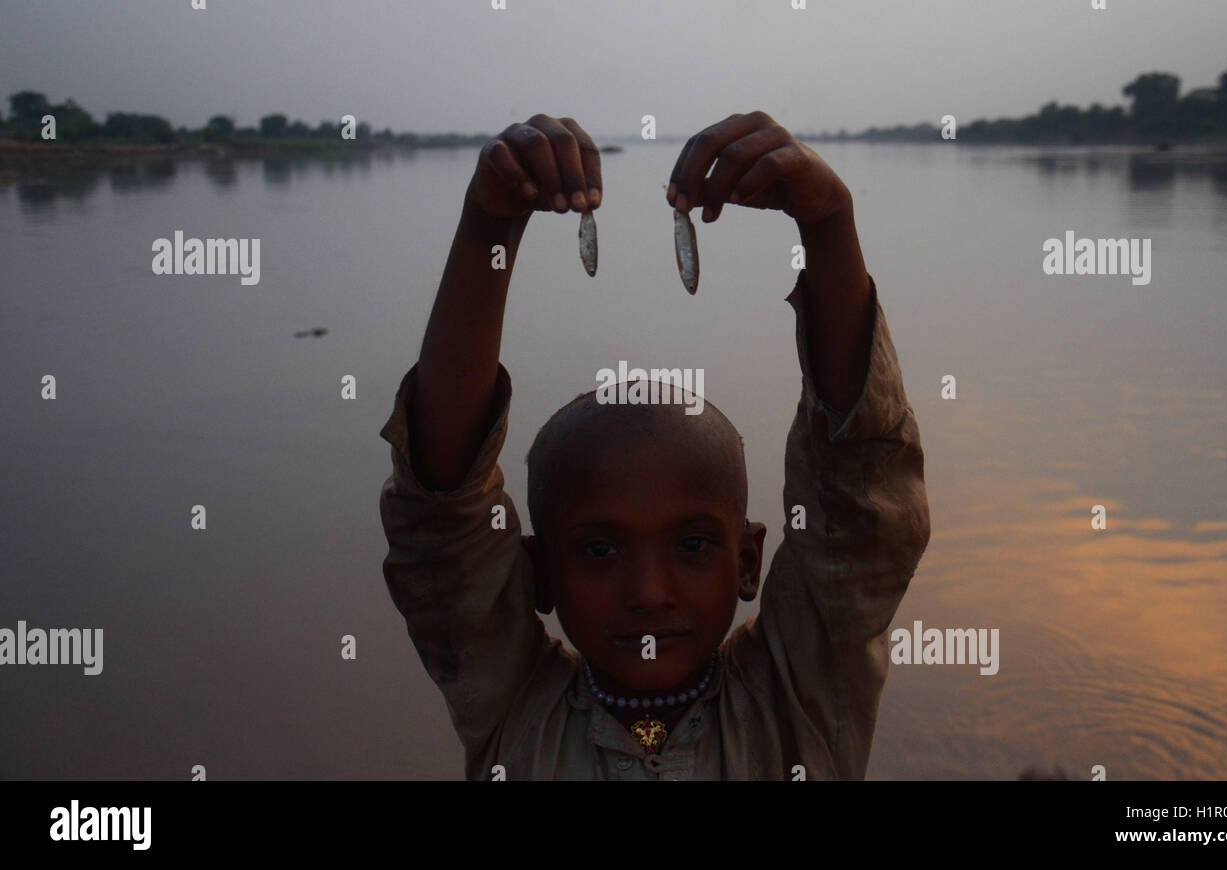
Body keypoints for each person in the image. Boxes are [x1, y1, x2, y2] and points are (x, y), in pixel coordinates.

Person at [379, 111, 930, 779]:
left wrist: (829, 226)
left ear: (749, 560)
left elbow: (861, 501)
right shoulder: (512, 704)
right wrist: (488, 225)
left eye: (694, 544)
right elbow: (442, 515)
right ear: (539, 574)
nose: (648, 592)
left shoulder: (802, 694)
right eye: (600, 549)